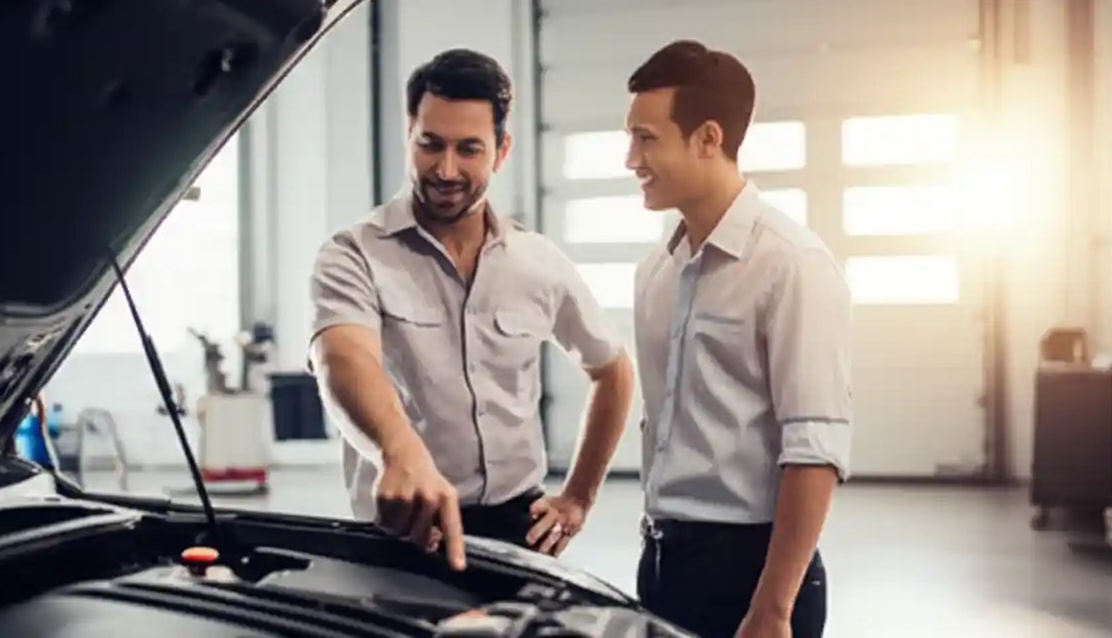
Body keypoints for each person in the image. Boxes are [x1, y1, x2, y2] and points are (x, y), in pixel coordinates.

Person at [309, 48, 634, 571]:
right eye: (430, 144)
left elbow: (612, 371)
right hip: (404, 533)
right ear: (409, 135)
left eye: (469, 149)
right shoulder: (353, 255)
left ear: (501, 151)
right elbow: (343, 359)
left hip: (518, 532)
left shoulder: (538, 261)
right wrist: (400, 451)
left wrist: (579, 496)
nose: (446, 169)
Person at [625, 40, 852, 638]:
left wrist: (773, 607)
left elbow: (814, 447)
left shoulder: (792, 265)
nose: (630, 159)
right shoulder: (656, 272)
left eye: (646, 139)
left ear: (708, 138)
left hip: (753, 573)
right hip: (663, 562)